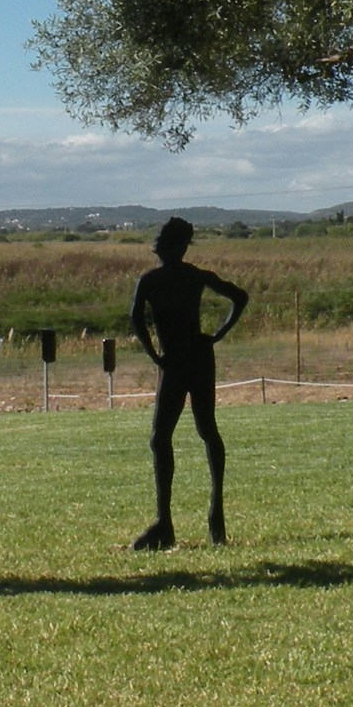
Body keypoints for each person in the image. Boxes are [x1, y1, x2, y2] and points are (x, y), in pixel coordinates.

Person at [128, 217, 248, 548]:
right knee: (184, 434)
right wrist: (214, 337)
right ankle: (174, 521)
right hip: (191, 357)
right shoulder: (180, 277)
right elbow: (239, 297)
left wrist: (157, 354)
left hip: (182, 360)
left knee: (192, 432)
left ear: (176, 246)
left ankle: (204, 515)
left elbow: (137, 318)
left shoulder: (154, 280)